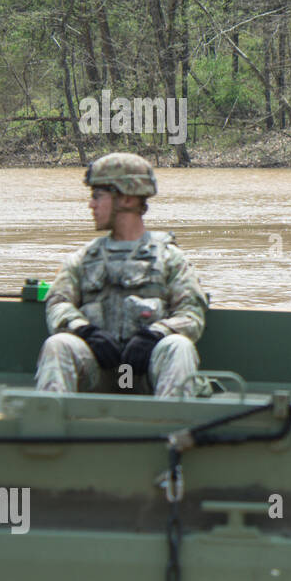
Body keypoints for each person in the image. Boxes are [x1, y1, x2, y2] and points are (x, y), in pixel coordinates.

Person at [35, 153, 208, 398]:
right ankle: (48, 427)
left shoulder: (170, 259)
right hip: (98, 370)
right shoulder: (84, 258)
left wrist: (156, 333)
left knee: (179, 346)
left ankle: (173, 428)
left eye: (97, 196)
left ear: (125, 198)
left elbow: (192, 314)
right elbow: (57, 302)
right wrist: (84, 331)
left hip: (147, 373)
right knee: (58, 344)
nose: (91, 205)